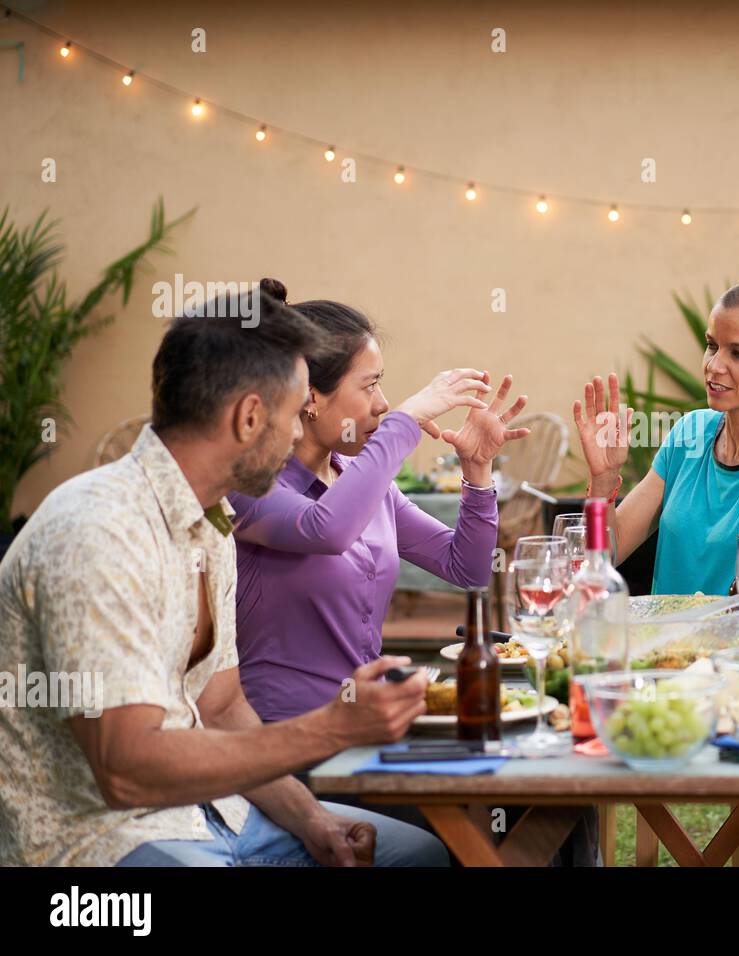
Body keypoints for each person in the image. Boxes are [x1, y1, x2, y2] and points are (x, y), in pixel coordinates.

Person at [0, 283, 445, 866]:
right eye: (293, 414)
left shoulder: (211, 525)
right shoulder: (97, 530)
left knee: (415, 855)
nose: (298, 434)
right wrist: (331, 729)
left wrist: (314, 820)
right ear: (249, 417)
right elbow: (127, 772)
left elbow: (224, 710)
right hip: (98, 841)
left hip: (218, 814)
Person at [227, 284, 526, 721]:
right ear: (309, 396)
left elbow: (468, 568)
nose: (382, 404)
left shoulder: (364, 483)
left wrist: (477, 469)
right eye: (369, 386)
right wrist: (404, 422)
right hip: (283, 730)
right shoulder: (247, 486)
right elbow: (326, 529)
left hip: (367, 720)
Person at [572, 281, 739, 608]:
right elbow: (604, 554)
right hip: (661, 641)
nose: (714, 365)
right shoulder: (690, 432)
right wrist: (604, 477)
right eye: (712, 346)